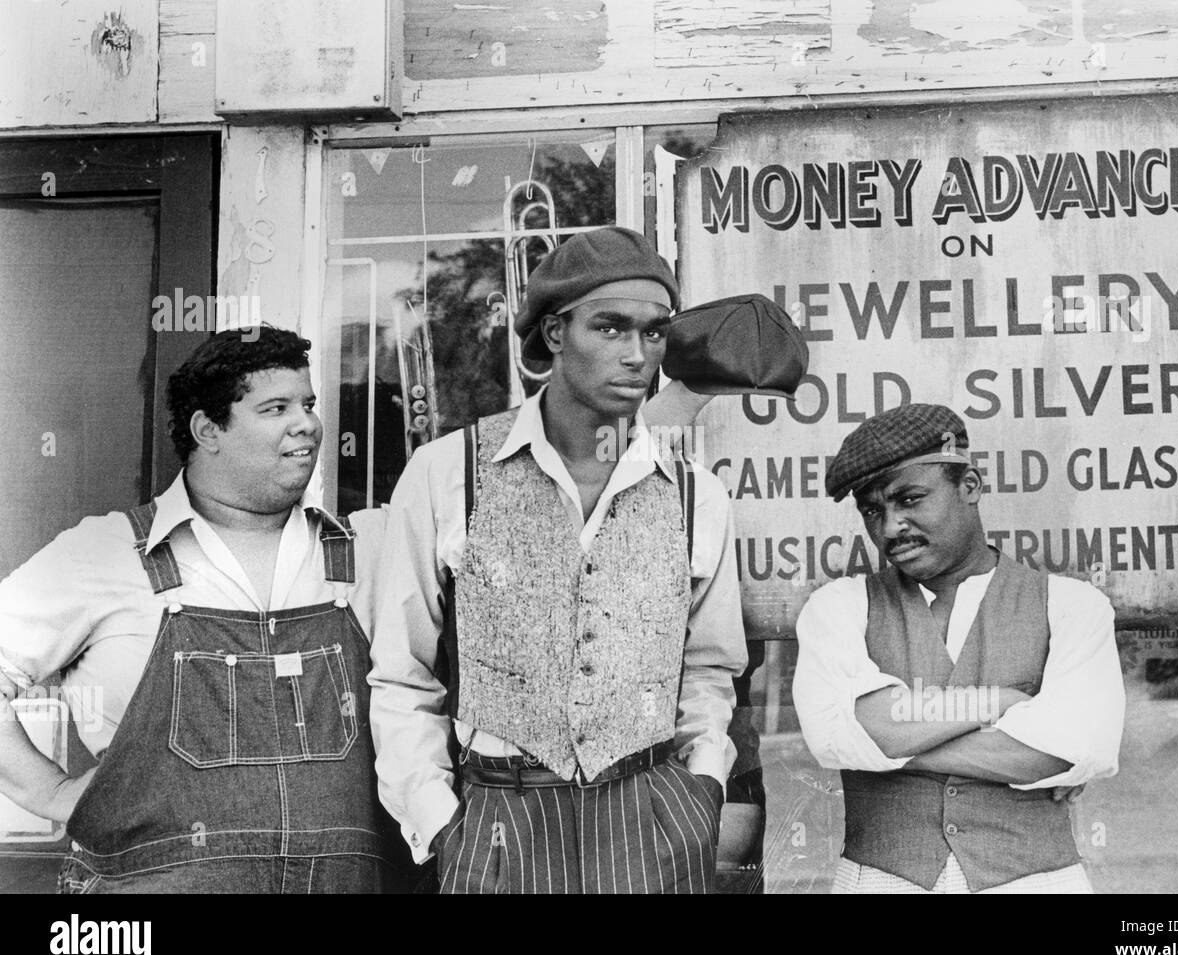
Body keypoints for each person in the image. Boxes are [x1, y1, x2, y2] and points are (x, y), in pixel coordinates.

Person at [368, 227, 749, 893]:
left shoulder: (697, 495)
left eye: (655, 333)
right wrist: (441, 824)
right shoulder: (446, 474)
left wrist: (700, 794)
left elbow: (710, 671)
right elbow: (403, 675)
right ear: (553, 333)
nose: (636, 355)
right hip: (498, 820)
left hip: (652, 819)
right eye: (610, 327)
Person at [0, 327, 395, 893]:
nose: (306, 422)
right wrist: (52, 794)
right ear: (208, 429)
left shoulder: (365, 556)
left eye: (308, 404)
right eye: (275, 407)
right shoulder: (106, 553)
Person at [793, 403, 1125, 894]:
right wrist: (1000, 704)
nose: (890, 527)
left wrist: (881, 745)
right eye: (873, 510)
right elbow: (832, 736)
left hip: (1034, 881)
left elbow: (1069, 749)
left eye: (910, 499)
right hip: (882, 880)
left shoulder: (1072, 605)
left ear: (969, 486)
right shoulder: (839, 606)